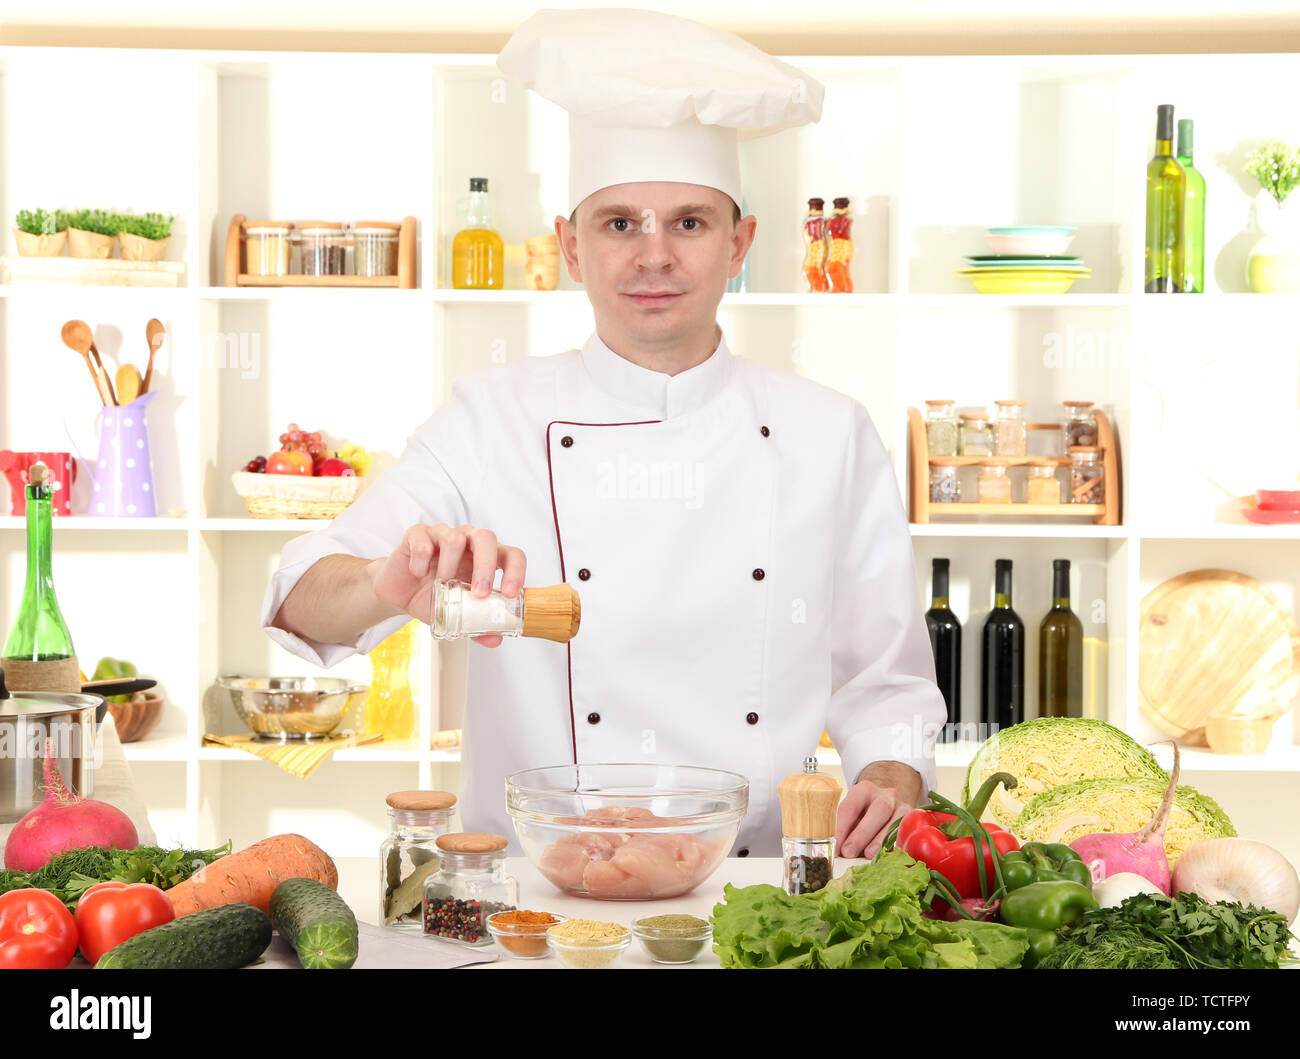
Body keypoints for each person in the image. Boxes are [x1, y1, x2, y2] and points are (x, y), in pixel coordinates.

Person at [262, 7, 945, 858]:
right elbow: (302, 597)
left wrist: (892, 775)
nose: (653, 255)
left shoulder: (830, 432)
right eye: (619, 222)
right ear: (571, 247)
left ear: (741, 243)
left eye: (689, 222)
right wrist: (387, 577)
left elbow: (889, 682)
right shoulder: (489, 418)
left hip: (755, 892)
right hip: (526, 898)